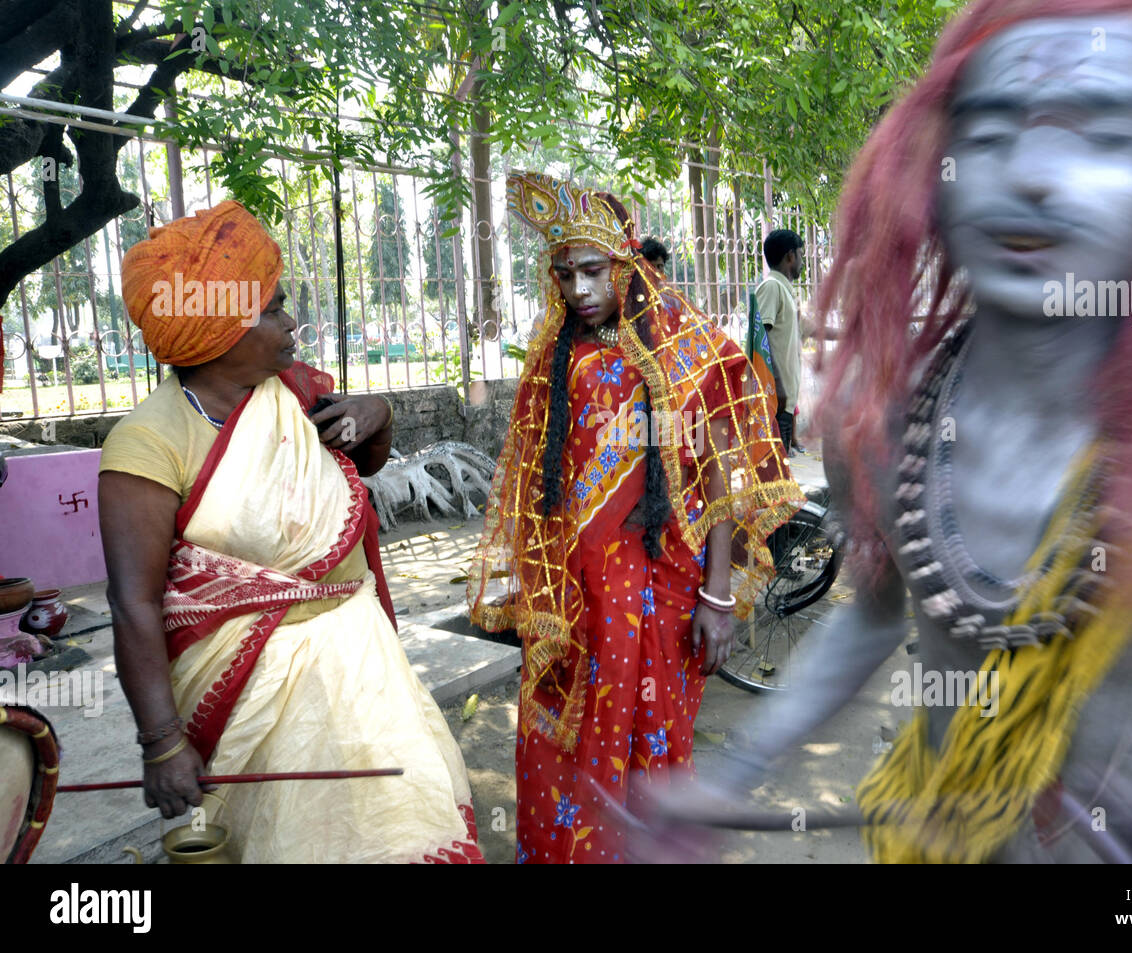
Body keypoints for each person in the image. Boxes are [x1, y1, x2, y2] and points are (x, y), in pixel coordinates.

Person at [651, 0, 1132, 863]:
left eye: (1103, 134)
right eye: (990, 132)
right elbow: (874, 616)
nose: (1032, 173)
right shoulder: (882, 419)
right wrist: (735, 775)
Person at [98, 200, 483, 863]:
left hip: (365, 662)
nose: (290, 323)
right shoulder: (148, 442)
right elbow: (133, 602)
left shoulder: (298, 393)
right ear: (220, 326)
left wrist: (377, 411)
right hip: (255, 694)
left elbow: (365, 459)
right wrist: (160, 741)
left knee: (404, 826)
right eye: (274, 308)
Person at [467, 172, 803, 863]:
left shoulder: (684, 353)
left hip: (661, 589)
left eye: (593, 270)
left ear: (626, 265)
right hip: (573, 595)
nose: (579, 289)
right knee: (558, 747)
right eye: (565, 275)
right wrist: (536, 587)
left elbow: (714, 481)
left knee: (649, 747)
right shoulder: (555, 361)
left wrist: (716, 596)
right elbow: (535, 485)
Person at [753, 229, 804, 454]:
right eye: (801, 255)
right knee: (774, 470)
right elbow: (760, 338)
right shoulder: (771, 287)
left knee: (781, 471)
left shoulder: (784, 290)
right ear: (790, 256)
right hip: (776, 399)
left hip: (784, 402)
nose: (803, 261)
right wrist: (778, 385)